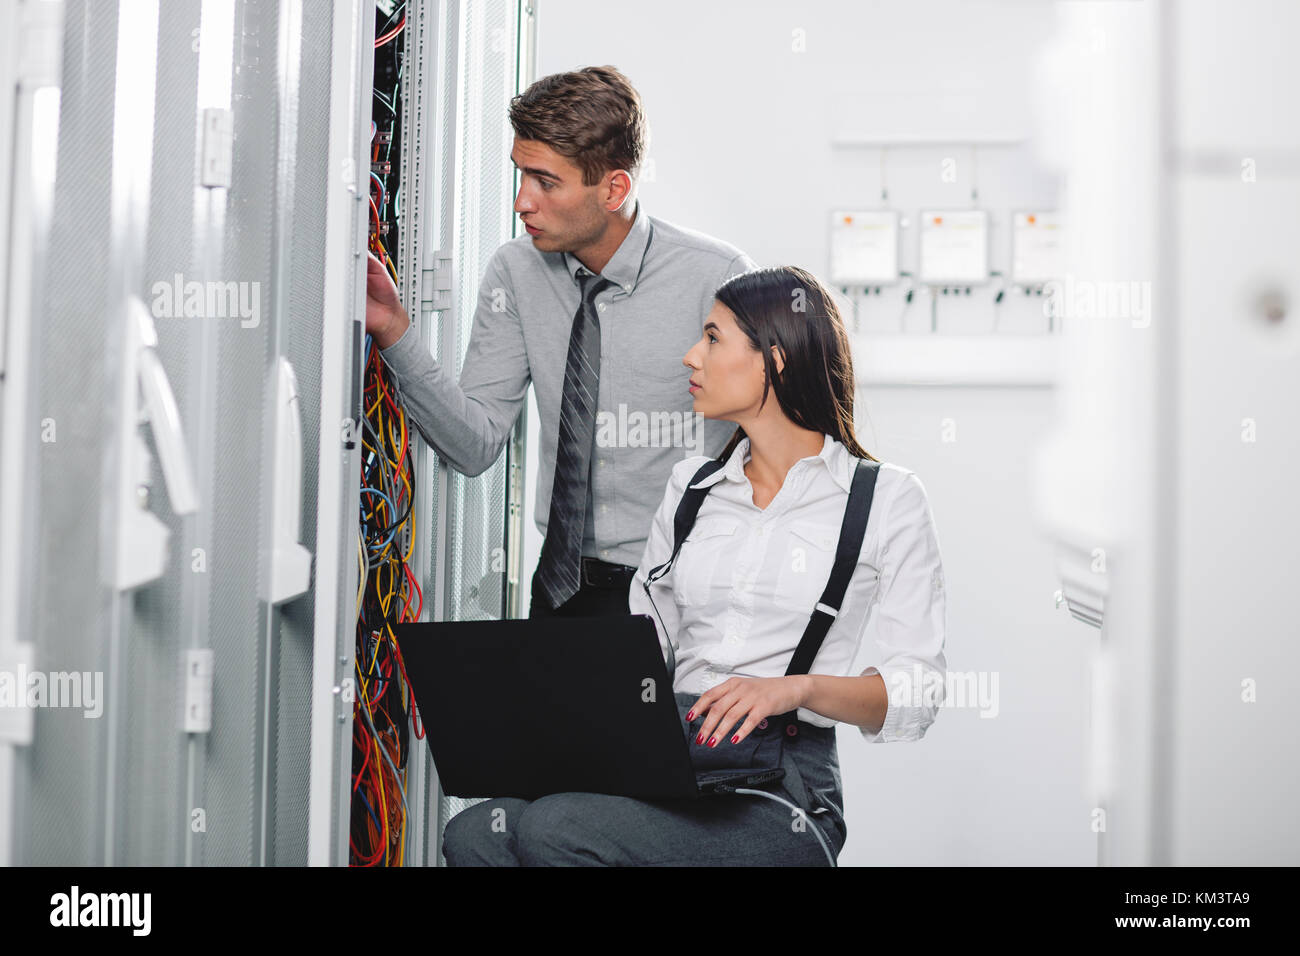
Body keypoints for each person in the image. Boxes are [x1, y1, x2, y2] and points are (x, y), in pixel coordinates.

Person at [439, 266, 948, 866]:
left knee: (556, 827)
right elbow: (645, 651)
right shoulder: (691, 489)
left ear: (773, 359)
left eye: (712, 337)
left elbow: (920, 691)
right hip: (672, 756)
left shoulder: (886, 498)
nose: (690, 357)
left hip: (783, 791)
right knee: (476, 833)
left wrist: (796, 689)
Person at [365, 65, 757, 617]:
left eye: (546, 182)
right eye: (521, 174)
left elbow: (778, 444)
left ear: (614, 188)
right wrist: (393, 330)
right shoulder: (515, 272)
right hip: (564, 591)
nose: (523, 202)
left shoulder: (716, 278)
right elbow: (473, 445)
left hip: (689, 592)